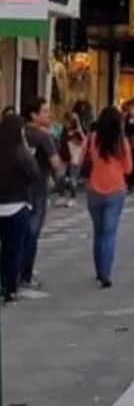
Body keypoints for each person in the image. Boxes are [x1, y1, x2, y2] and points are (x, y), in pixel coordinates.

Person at [84, 107, 133, 288]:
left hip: (93, 190)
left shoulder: (92, 138)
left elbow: (82, 160)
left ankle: (99, 270)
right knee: (109, 233)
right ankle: (105, 273)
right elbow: (128, 169)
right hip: (115, 190)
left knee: (98, 232)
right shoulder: (121, 142)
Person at [21, 98, 65, 290]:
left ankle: (13, 271)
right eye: (45, 111)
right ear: (34, 115)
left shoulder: (19, 133)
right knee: (32, 233)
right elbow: (56, 164)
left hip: (16, 189)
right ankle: (26, 274)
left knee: (17, 232)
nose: (50, 115)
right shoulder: (43, 137)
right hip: (38, 188)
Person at [0, 113, 40, 304]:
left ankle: (2, 283)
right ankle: (11, 290)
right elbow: (34, 175)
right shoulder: (22, 153)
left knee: (3, 248)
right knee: (14, 249)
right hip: (18, 206)